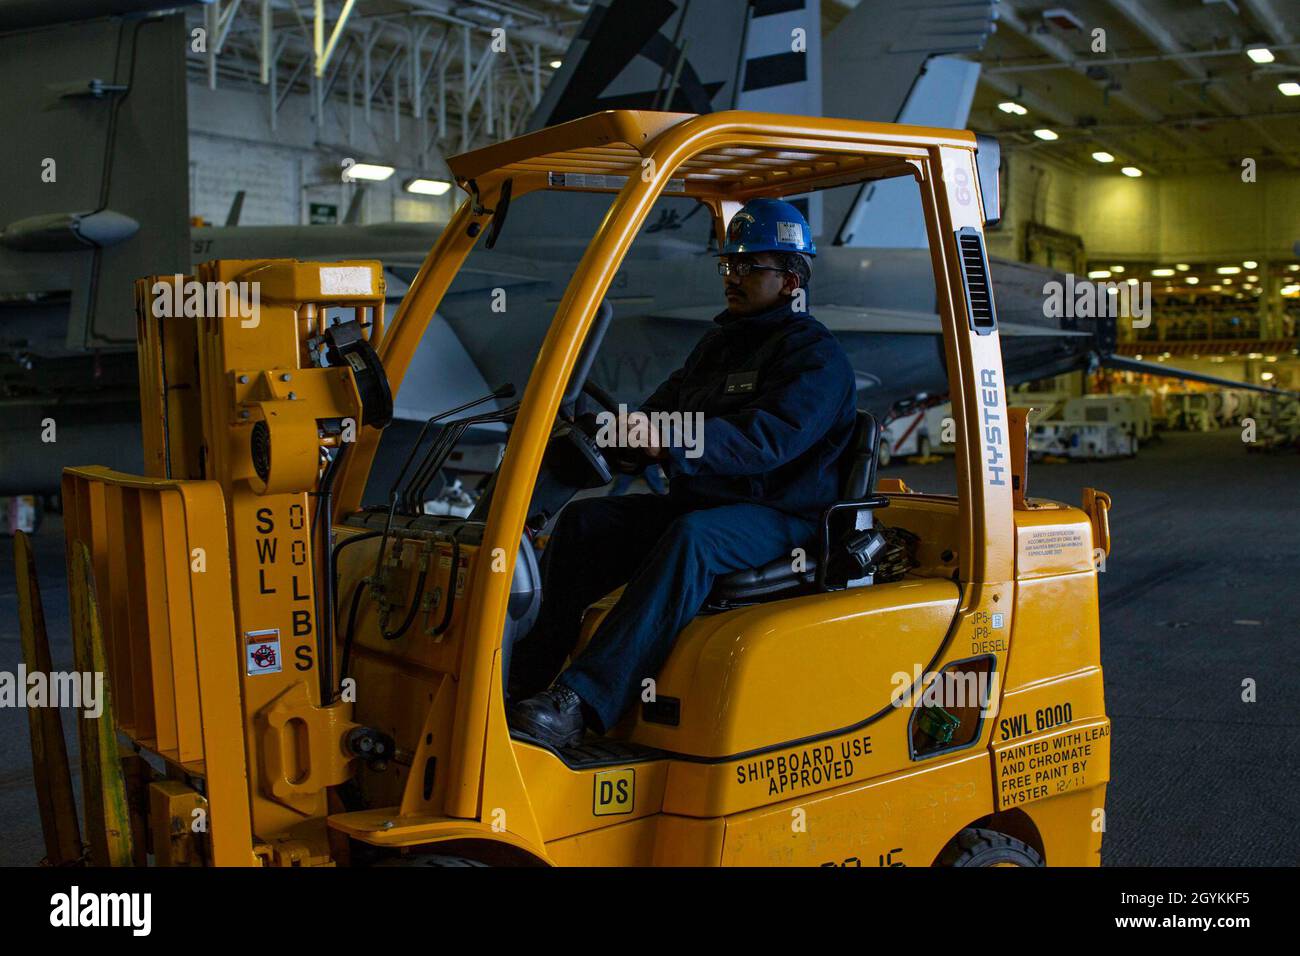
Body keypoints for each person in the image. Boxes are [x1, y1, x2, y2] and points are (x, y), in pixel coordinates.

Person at [507, 198, 857, 748]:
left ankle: (583, 701)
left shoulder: (815, 358)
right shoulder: (717, 346)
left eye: (748, 267)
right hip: (704, 502)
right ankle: (520, 680)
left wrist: (668, 439)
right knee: (582, 525)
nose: (732, 277)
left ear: (791, 280)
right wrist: (616, 432)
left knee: (692, 540)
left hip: (781, 514)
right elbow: (660, 412)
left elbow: (766, 441)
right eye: (728, 265)